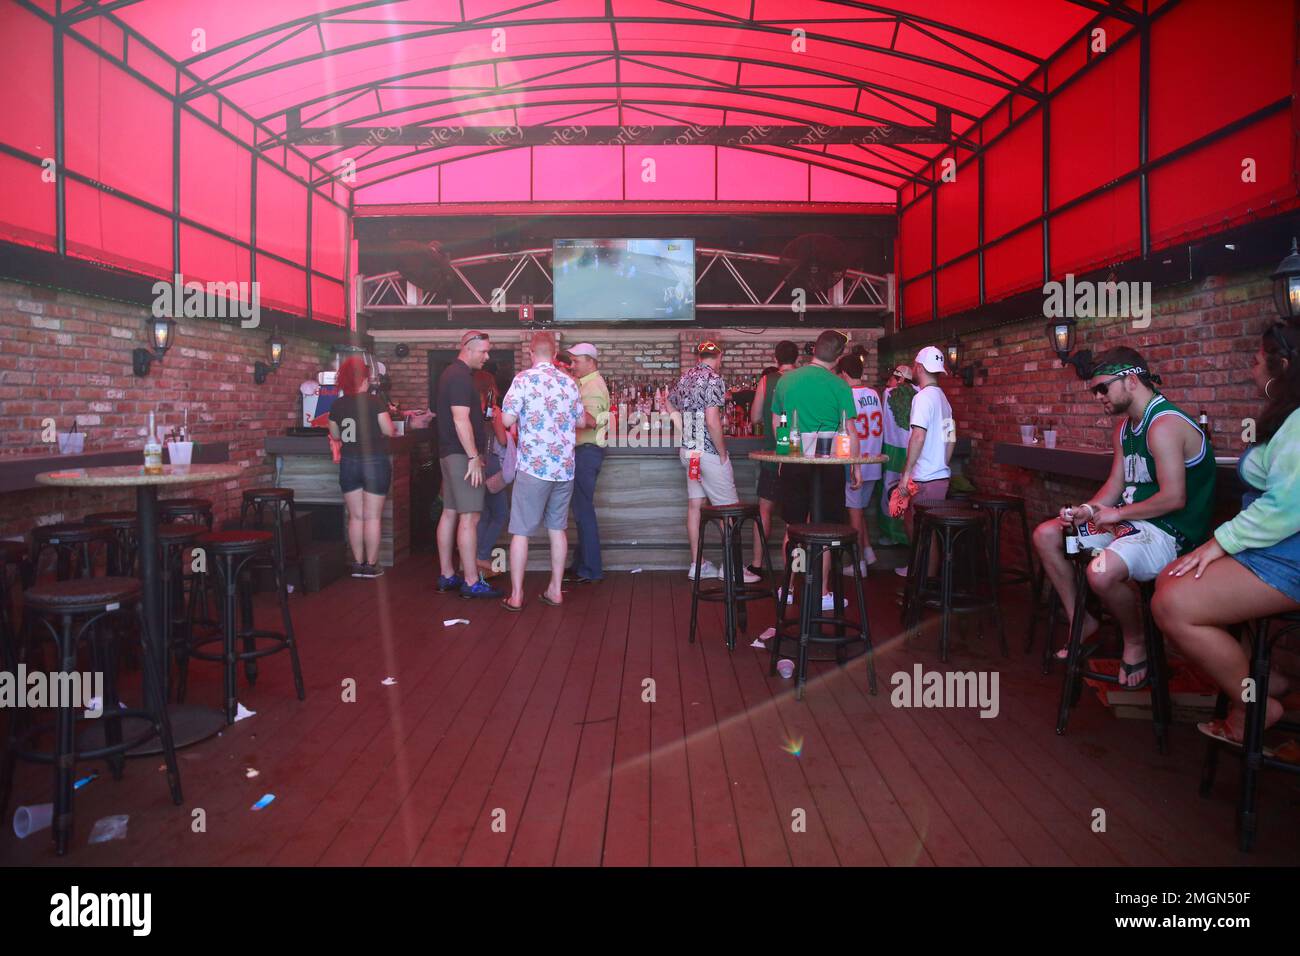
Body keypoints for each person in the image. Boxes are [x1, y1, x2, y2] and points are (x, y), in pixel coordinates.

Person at [1031, 347, 1216, 686]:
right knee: (1046, 534)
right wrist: (1087, 510)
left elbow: (1174, 497)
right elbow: (1116, 484)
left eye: (1103, 388)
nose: (1098, 396)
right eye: (1095, 390)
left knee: (1099, 574)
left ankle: (1136, 640)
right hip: (1131, 524)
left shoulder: (1164, 424)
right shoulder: (1125, 429)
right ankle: (1081, 621)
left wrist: (1116, 514)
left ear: (1131, 380)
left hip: (1169, 533)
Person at [1153, 323, 1300, 743]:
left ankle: (1255, 706)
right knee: (1171, 580)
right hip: (1273, 549)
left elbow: (1290, 504)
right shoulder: (1288, 419)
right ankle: (1263, 682)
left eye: (1256, 362)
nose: (1250, 370)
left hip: (1288, 555)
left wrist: (1221, 542)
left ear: (1283, 366)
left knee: (1173, 605)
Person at [771, 329, 861, 610]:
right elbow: (851, 431)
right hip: (829, 466)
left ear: (813, 351)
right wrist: (854, 467)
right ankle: (821, 594)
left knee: (793, 526)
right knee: (824, 531)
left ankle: (788, 589)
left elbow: (778, 423)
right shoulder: (840, 386)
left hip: (795, 463)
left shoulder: (787, 380)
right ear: (838, 357)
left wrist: (785, 454)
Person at [499, 331, 583, 611]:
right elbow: (581, 419)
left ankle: (517, 595)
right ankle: (556, 590)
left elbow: (508, 417)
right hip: (564, 469)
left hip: (533, 467)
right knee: (557, 529)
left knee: (521, 531)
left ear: (532, 353)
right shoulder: (569, 383)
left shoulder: (523, 380)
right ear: (554, 351)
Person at [667, 341, 755, 583]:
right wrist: (723, 452)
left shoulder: (686, 377)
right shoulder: (714, 379)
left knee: (696, 505)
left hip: (689, 451)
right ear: (720, 355)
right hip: (708, 453)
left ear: (698, 355)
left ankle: (698, 565)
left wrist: (682, 428)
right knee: (730, 512)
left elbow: (668, 402)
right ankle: (731, 567)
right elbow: (713, 420)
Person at [435, 330, 502, 599]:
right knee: (471, 516)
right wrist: (474, 457)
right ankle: (472, 581)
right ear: (468, 348)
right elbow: (460, 419)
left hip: (450, 453)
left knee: (450, 513)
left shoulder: (451, 375)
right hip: (463, 456)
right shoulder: (461, 378)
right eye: (483, 351)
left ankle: (447, 575)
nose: (486, 357)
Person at [328, 356, 395, 578]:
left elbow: (335, 434)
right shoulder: (375, 402)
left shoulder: (337, 405)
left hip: (349, 461)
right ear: (364, 380)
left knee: (355, 517)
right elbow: (388, 430)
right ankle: (371, 565)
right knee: (373, 517)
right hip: (374, 460)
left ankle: (357, 564)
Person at [894, 346, 954, 579]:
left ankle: (924, 581)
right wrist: (942, 464)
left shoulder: (921, 398)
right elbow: (951, 438)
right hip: (939, 476)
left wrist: (906, 474)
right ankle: (923, 577)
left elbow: (918, 436)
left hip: (924, 479)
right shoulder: (944, 399)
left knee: (920, 529)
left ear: (918, 367)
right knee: (927, 529)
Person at [748, 342, 799, 574]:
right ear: (797, 358)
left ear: (775, 357)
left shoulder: (767, 381)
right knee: (795, 517)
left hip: (771, 455)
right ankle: (796, 569)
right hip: (797, 459)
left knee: (764, 510)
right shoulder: (803, 379)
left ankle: (757, 565)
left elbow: (756, 417)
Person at [567, 343, 610, 584]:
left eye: (576, 361)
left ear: (590, 361)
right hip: (585, 451)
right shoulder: (586, 384)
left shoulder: (592, 386)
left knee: (583, 512)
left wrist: (564, 407)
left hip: (586, 451)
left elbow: (591, 421)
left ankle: (591, 569)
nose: (572, 366)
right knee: (581, 510)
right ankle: (581, 564)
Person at [837, 351, 882, 574]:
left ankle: (858, 565)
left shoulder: (847, 395)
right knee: (860, 510)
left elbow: (844, 431)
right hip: (873, 460)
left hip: (855, 463)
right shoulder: (874, 394)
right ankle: (868, 552)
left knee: (854, 512)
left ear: (844, 373)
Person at [473, 369, 511, 582]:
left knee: (483, 514)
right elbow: (502, 441)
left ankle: (477, 560)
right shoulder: (493, 411)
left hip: (474, 462)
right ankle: (482, 557)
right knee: (501, 513)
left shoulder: (468, 410)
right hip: (492, 463)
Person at [879, 364, 915, 548]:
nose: (888, 382)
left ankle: (893, 534)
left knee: (891, 493)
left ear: (900, 379)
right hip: (913, 452)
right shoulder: (920, 394)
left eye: (891, 378)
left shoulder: (889, 394)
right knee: (909, 495)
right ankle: (908, 537)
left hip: (892, 450)